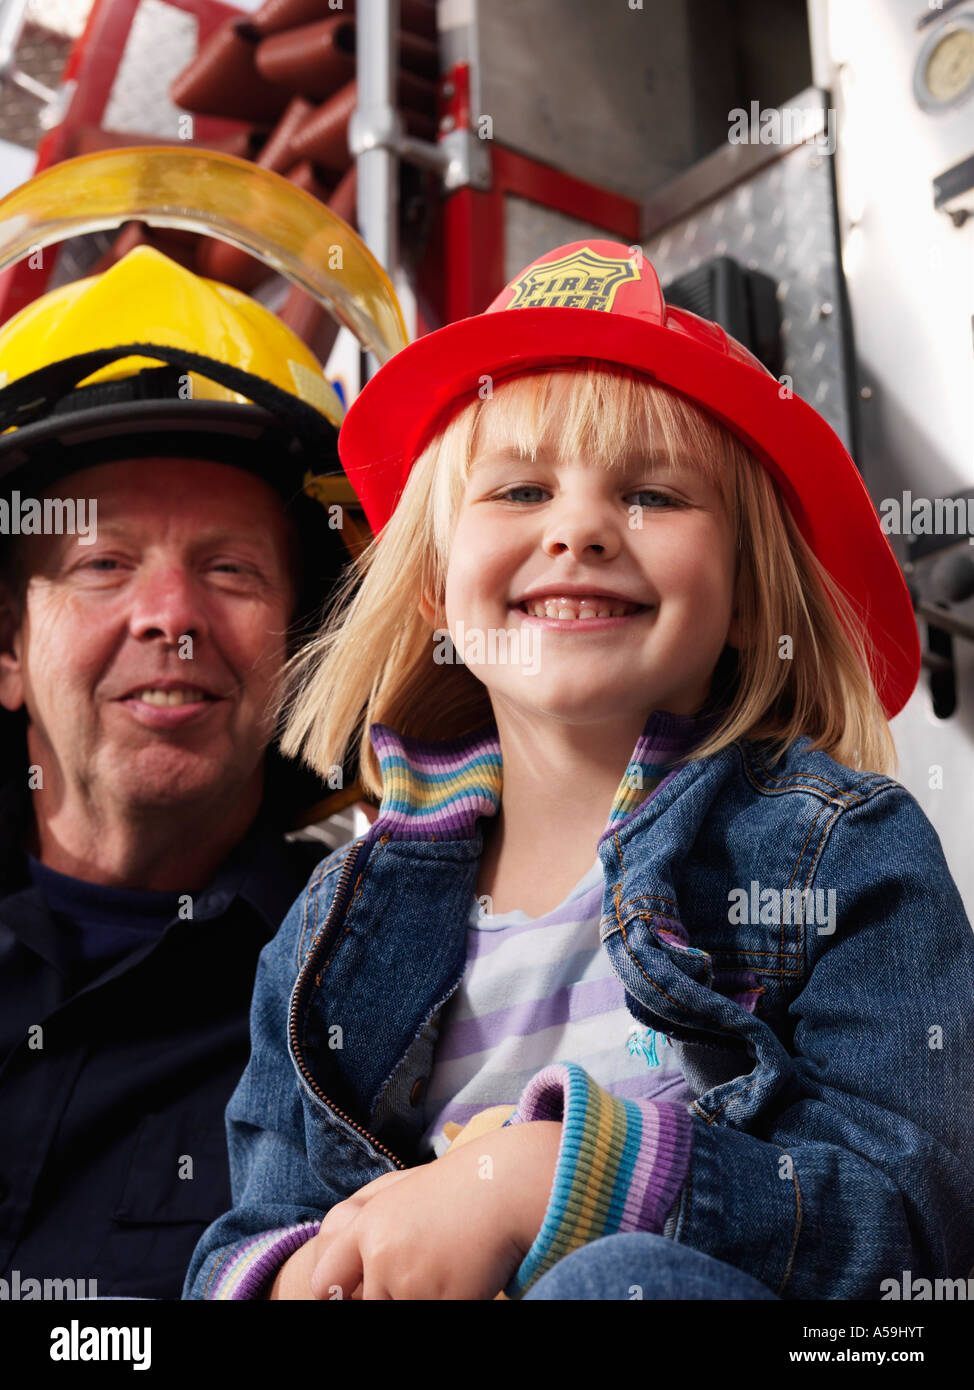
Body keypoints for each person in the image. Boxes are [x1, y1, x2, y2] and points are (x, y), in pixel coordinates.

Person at [184, 240, 974, 1302]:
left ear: (744, 594)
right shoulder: (332, 923)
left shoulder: (839, 852)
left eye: (651, 494)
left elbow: (914, 1231)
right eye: (517, 490)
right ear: (432, 588)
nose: (580, 529)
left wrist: (544, 1178)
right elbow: (244, 1239)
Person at [0, 243, 379, 1300]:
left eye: (229, 569)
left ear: (302, 652)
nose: (170, 616)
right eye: (102, 563)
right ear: (7, 650)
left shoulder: (372, 984)